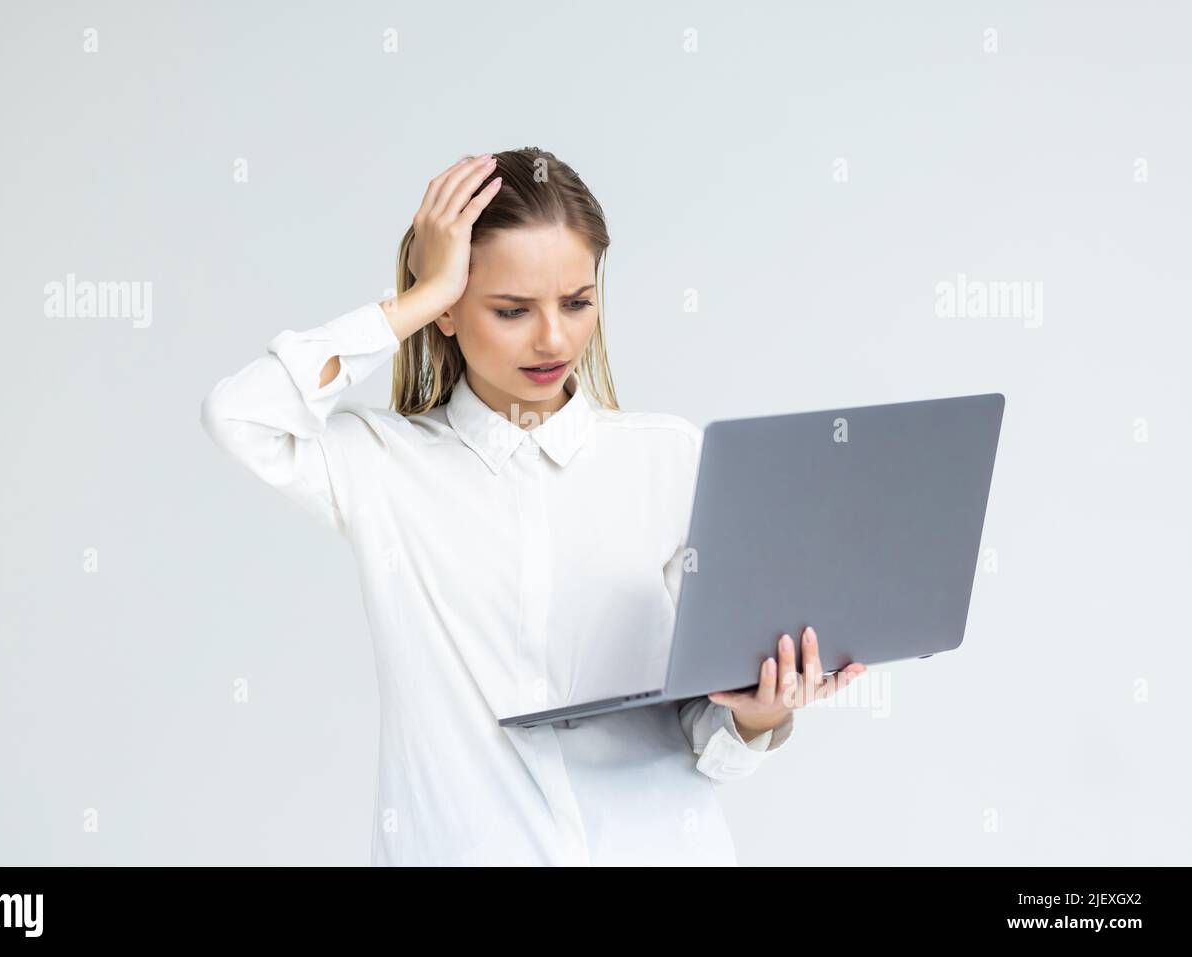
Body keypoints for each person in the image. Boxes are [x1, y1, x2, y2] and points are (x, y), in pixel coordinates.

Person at [200, 147, 866, 866]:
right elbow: (238, 416)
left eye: (577, 302)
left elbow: (710, 749)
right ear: (450, 309)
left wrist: (762, 709)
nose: (554, 339)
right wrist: (416, 300)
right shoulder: (382, 464)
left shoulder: (669, 458)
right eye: (512, 309)